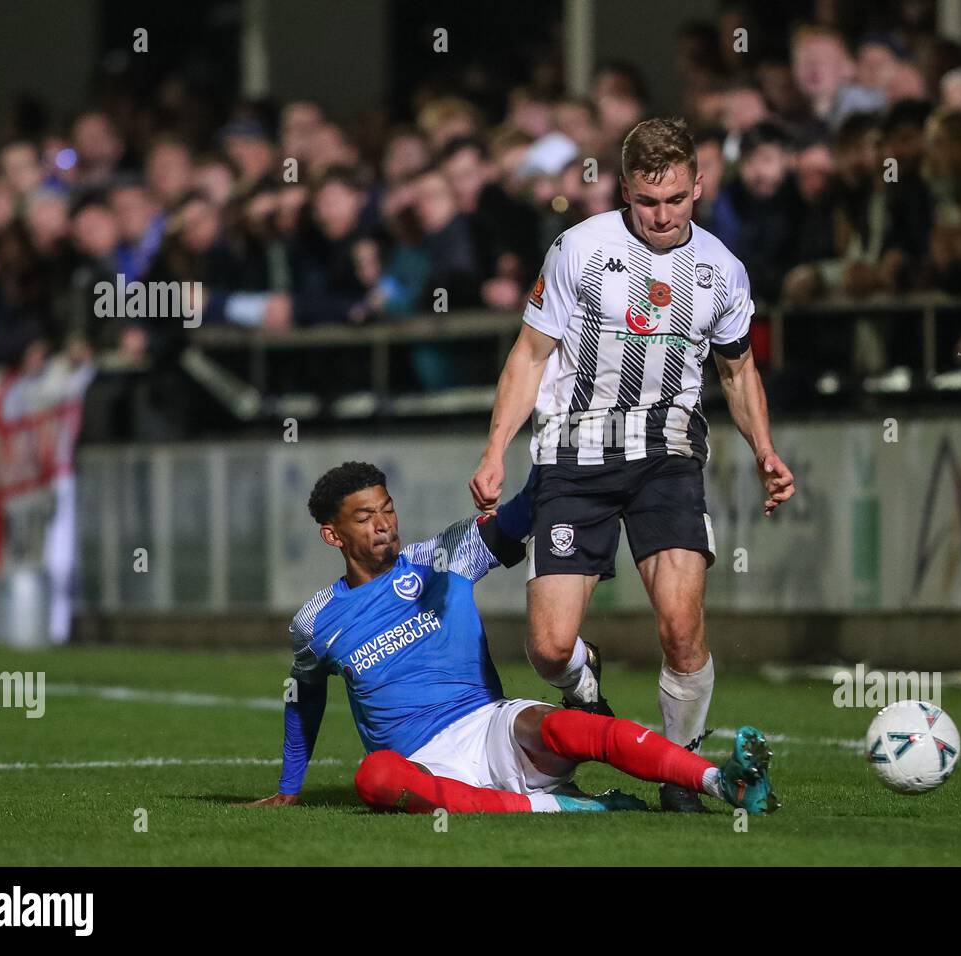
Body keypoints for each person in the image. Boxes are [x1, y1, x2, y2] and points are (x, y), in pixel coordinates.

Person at [468, 117, 795, 813]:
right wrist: (496, 450)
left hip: (667, 455)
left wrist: (764, 450)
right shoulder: (578, 250)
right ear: (624, 190)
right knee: (550, 648)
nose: (662, 215)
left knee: (681, 629)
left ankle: (683, 775)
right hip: (573, 453)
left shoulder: (721, 270)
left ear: (698, 185)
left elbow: (739, 372)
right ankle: (585, 685)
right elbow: (528, 355)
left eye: (676, 198)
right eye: (648, 201)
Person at [247, 461, 778, 815]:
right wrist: (291, 787)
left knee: (571, 727)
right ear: (332, 535)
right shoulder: (316, 621)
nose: (384, 524)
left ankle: (721, 781)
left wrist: (557, 463)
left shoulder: (442, 556)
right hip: (422, 763)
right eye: (365, 517)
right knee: (375, 778)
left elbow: (519, 515)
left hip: (492, 726)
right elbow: (304, 696)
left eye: (387, 508)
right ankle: (567, 807)